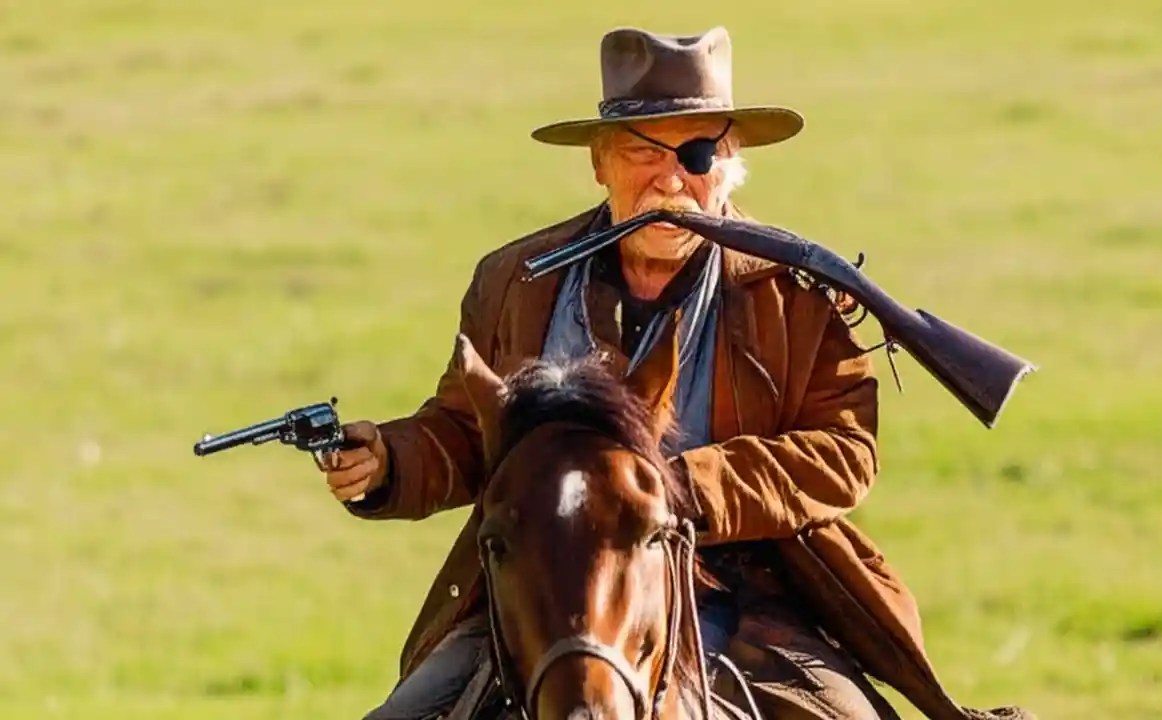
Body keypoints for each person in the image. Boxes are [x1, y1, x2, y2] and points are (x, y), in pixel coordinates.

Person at [317, 26, 1033, 720]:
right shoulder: (516, 280)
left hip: (756, 591)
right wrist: (388, 462)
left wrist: (686, 488)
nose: (669, 179)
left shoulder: (796, 292)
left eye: (695, 153)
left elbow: (843, 455)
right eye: (639, 151)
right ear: (598, 161)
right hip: (555, 589)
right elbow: (472, 434)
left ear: (731, 163)